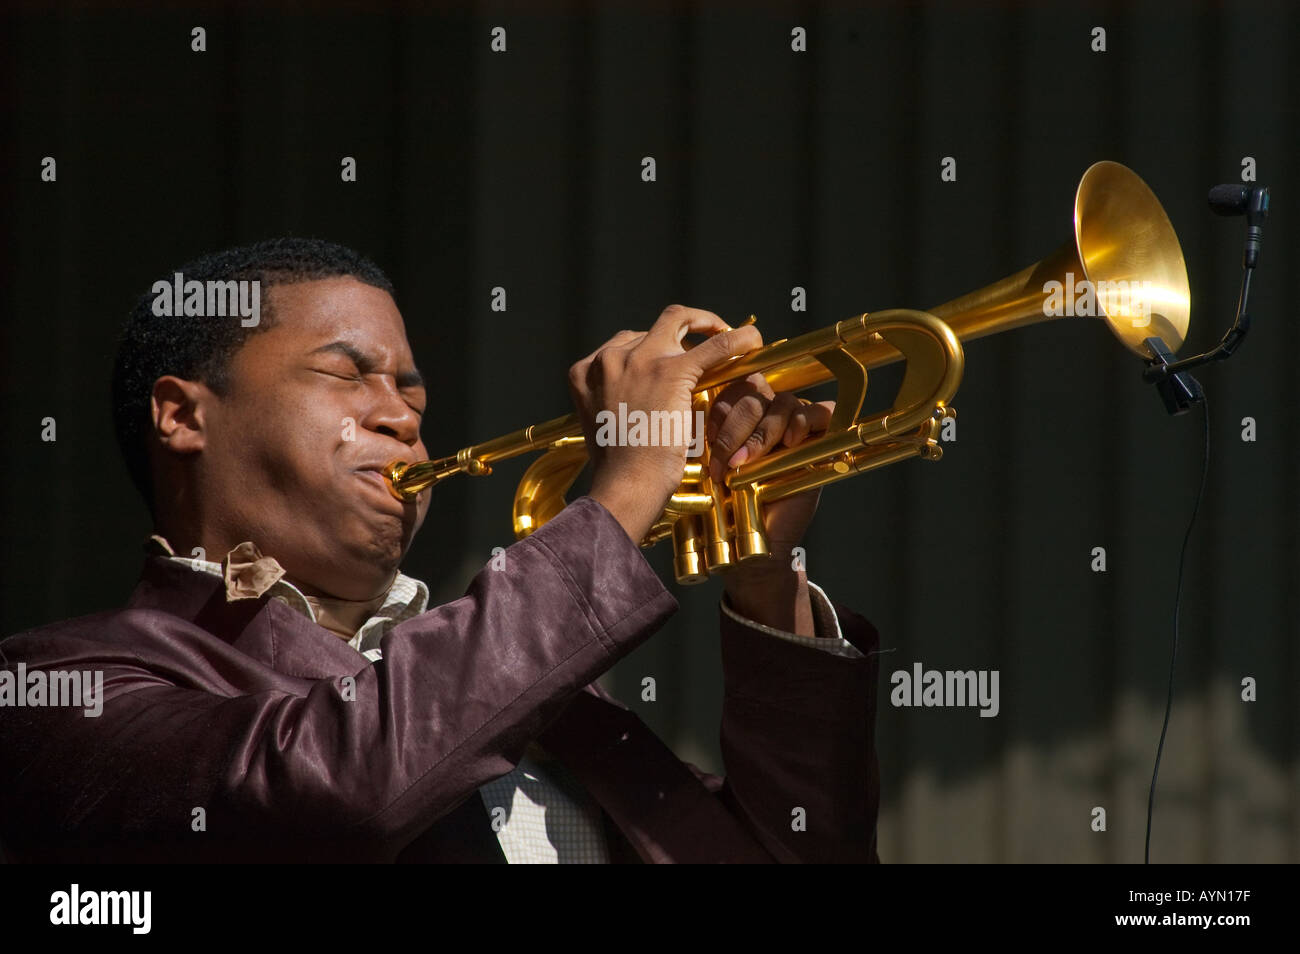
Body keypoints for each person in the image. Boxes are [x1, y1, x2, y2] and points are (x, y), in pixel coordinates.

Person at [0, 237, 882, 863]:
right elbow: (342, 796)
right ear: (183, 415)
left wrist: (769, 583)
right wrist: (620, 495)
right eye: (347, 375)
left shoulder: (546, 694)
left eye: (411, 389)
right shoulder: (65, 683)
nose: (402, 415)